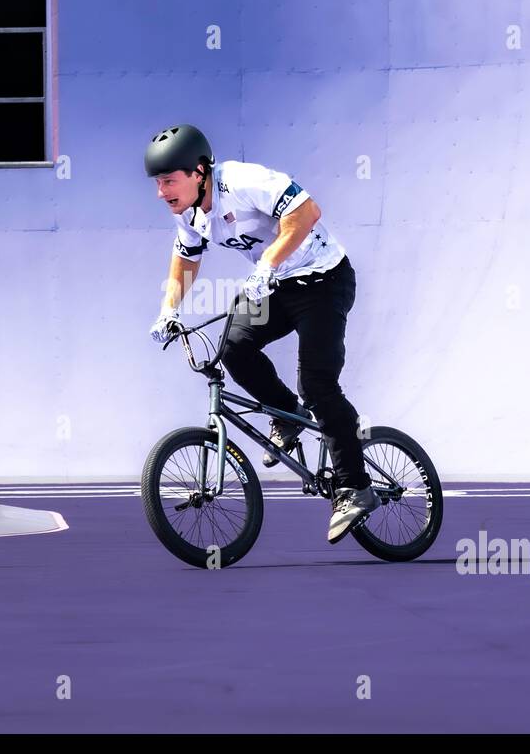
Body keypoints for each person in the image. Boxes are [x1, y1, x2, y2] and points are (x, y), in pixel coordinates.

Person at [145, 124, 376, 544]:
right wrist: (168, 310)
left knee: (319, 384)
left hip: (324, 281)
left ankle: (355, 487)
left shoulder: (242, 181)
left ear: (199, 172)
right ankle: (288, 414)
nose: (161, 192)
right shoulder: (189, 213)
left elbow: (306, 213)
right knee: (233, 347)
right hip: (277, 286)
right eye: (157, 183)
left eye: (167, 181)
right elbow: (186, 257)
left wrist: (267, 264)